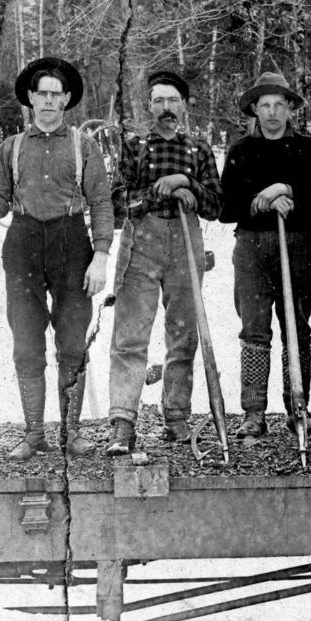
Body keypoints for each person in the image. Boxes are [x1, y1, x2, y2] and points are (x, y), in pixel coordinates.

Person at [0, 58, 113, 460]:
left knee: (71, 343)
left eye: (55, 94)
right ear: (30, 99)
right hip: (24, 241)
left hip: (72, 244)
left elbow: (100, 202)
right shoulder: (11, 148)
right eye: (41, 94)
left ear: (66, 100)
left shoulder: (83, 146)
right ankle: (34, 433)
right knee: (27, 344)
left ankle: (71, 432)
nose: (48, 101)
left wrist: (100, 255)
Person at [106, 70, 223, 455]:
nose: (166, 108)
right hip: (142, 243)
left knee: (183, 334)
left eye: (173, 101)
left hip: (186, 243)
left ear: (184, 106)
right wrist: (159, 192)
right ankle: (122, 422)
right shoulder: (134, 146)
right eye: (159, 101)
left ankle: (176, 416)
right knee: (130, 337)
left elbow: (216, 206)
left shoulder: (199, 149)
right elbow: (118, 201)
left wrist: (187, 184)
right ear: (149, 105)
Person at [219, 72, 311, 444]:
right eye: (264, 105)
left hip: (297, 245)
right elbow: (226, 207)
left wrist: (287, 189)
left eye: (279, 104)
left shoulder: (309, 149)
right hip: (251, 247)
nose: (272, 113)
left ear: (290, 108)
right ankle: (253, 412)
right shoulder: (240, 152)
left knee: (297, 327)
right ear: (254, 109)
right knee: (254, 329)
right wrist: (261, 198)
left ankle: (298, 406)